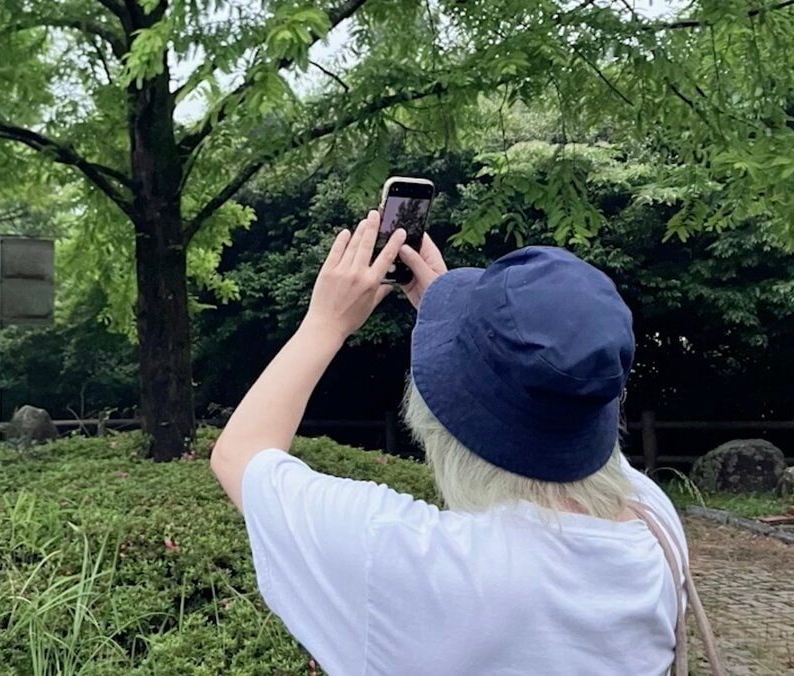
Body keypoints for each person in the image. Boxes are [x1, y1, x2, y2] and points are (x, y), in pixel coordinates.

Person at [210, 210, 691, 675]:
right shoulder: (654, 525)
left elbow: (240, 456)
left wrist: (325, 324)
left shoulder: (410, 561)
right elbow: (569, 405)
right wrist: (454, 322)